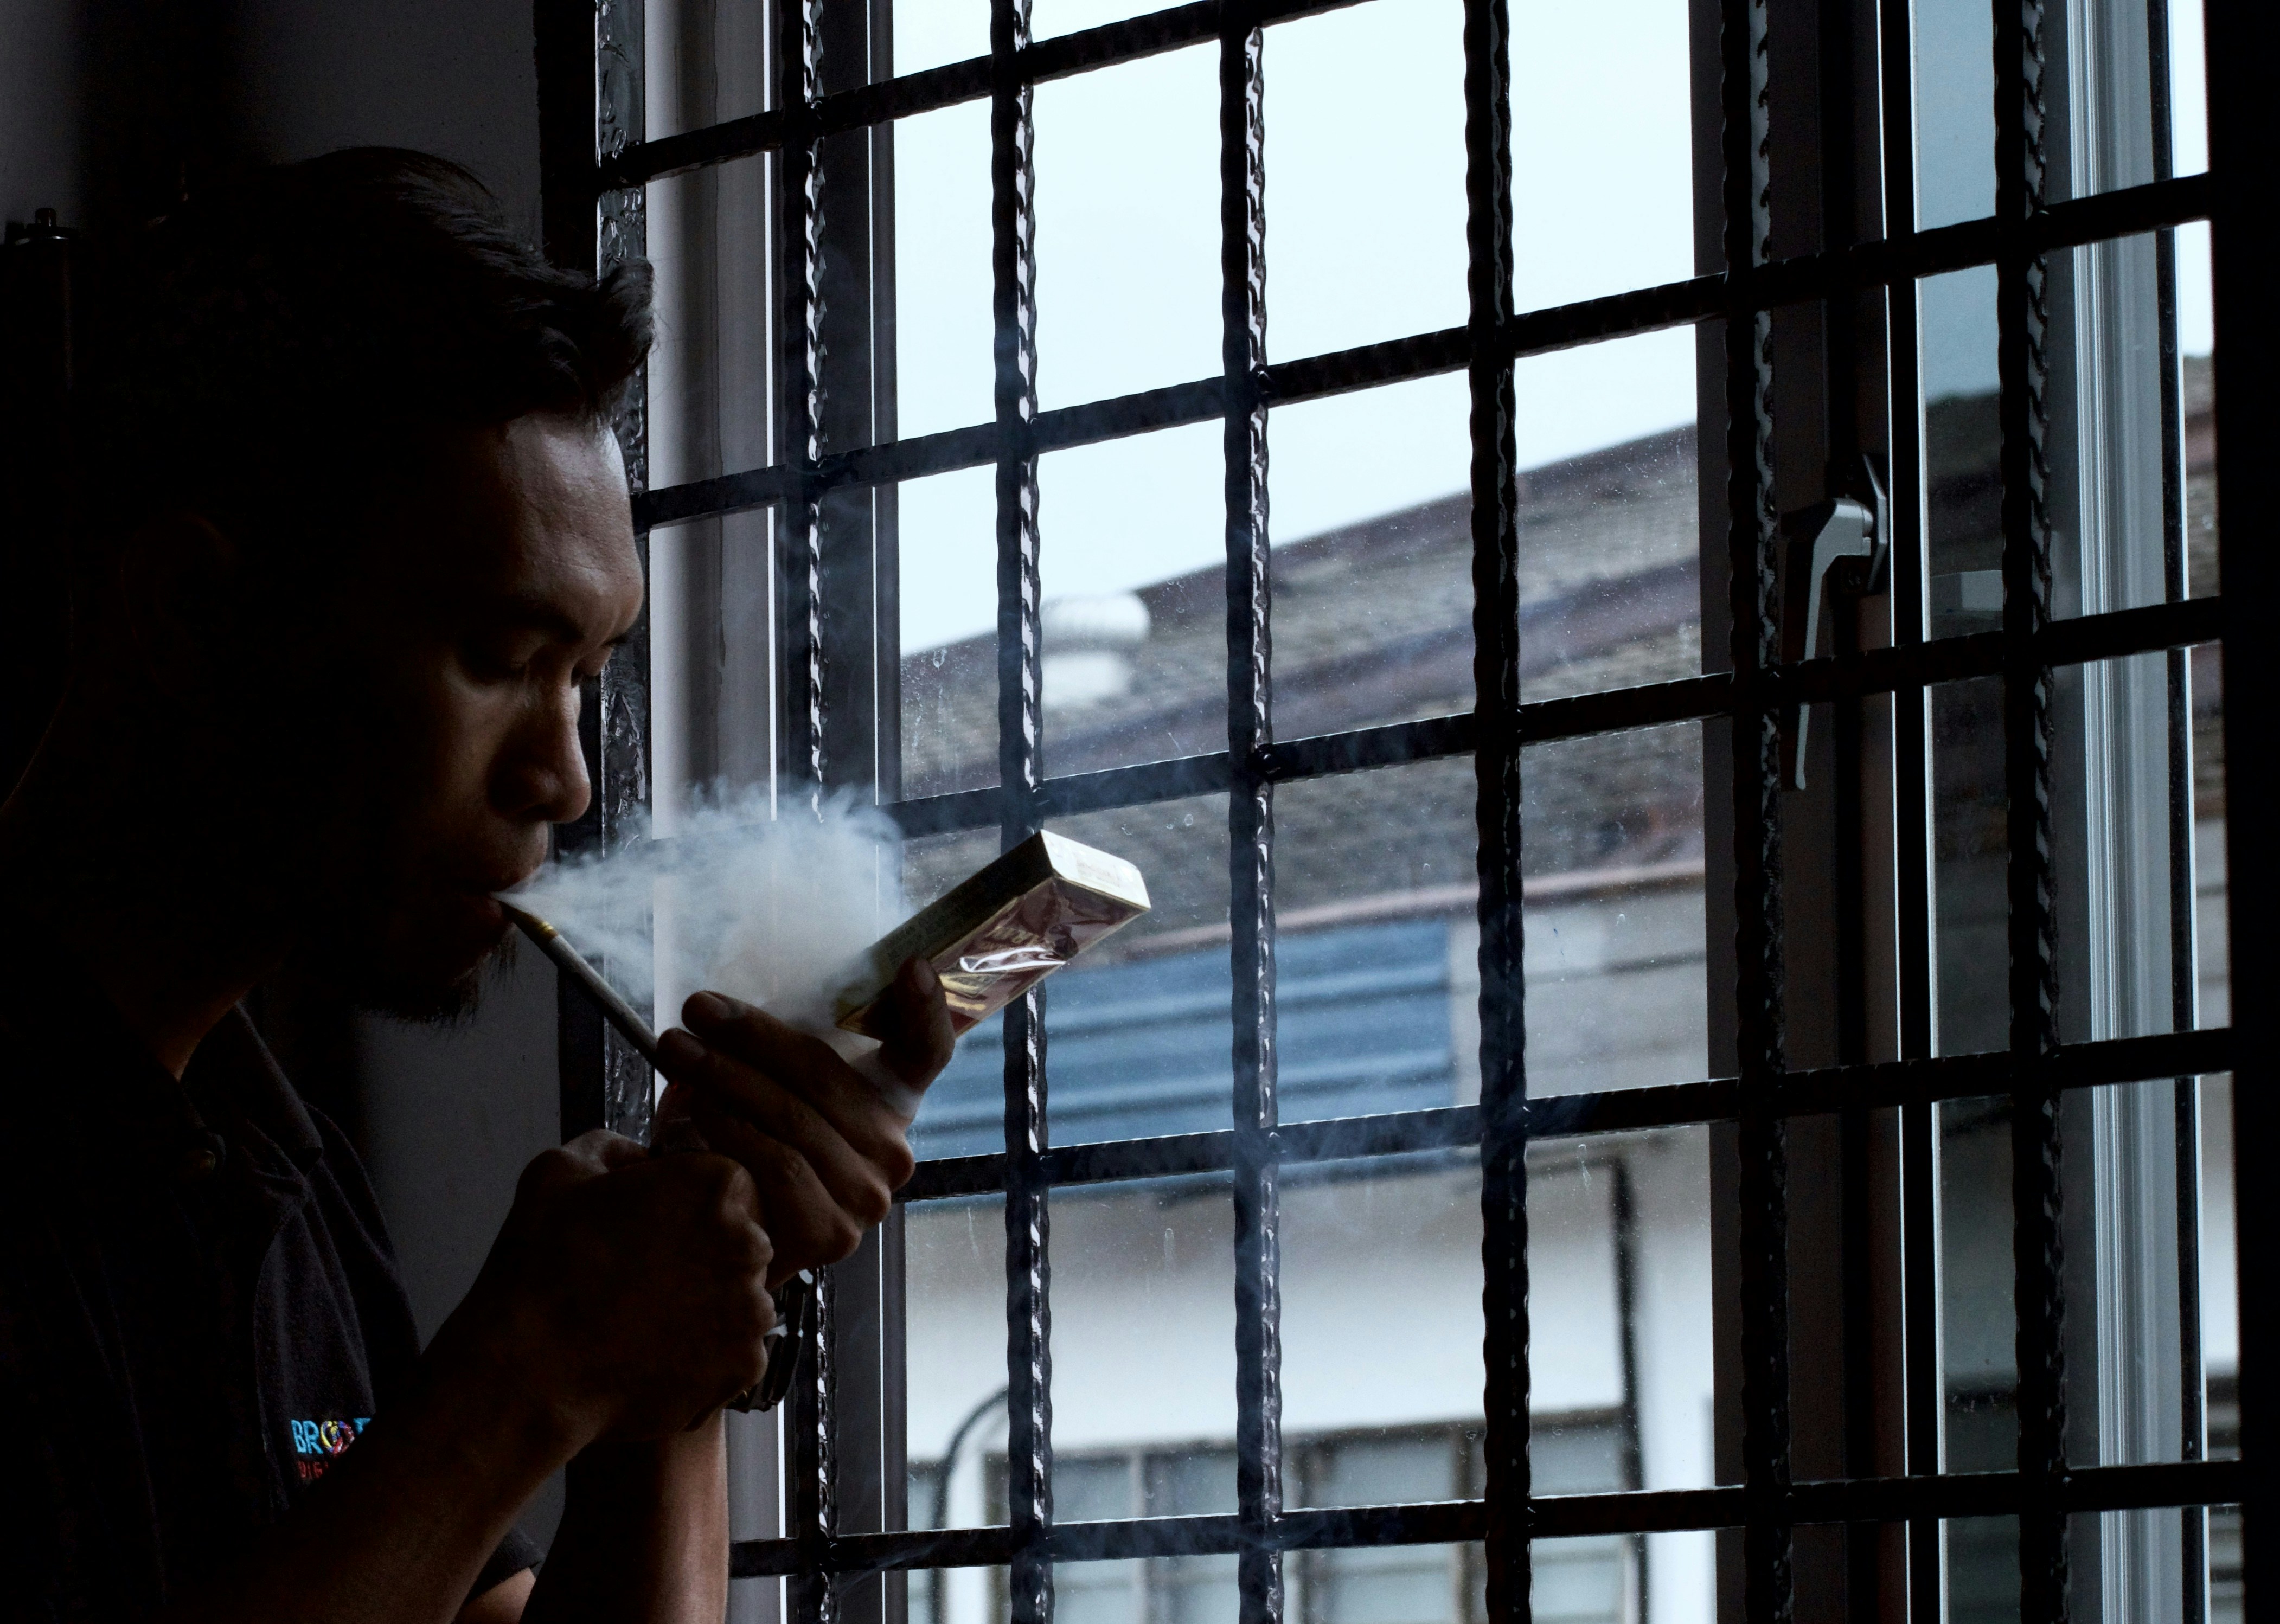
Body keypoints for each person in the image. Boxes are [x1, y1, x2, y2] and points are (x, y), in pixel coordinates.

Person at [0, 147, 952, 1621]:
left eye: (585, 676)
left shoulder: (273, 1168)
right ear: (194, 614)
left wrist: (679, 1306)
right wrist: (524, 1373)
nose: (563, 782)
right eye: (505, 659)